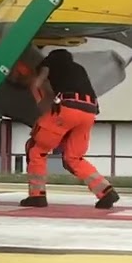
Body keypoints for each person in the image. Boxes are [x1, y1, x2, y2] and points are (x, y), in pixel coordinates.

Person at [21, 48, 119, 209]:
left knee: (36, 148)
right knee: (73, 157)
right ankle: (106, 192)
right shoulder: (78, 68)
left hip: (68, 108)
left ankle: (37, 196)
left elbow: (37, 84)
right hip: (89, 111)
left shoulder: (50, 64)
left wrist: (41, 108)